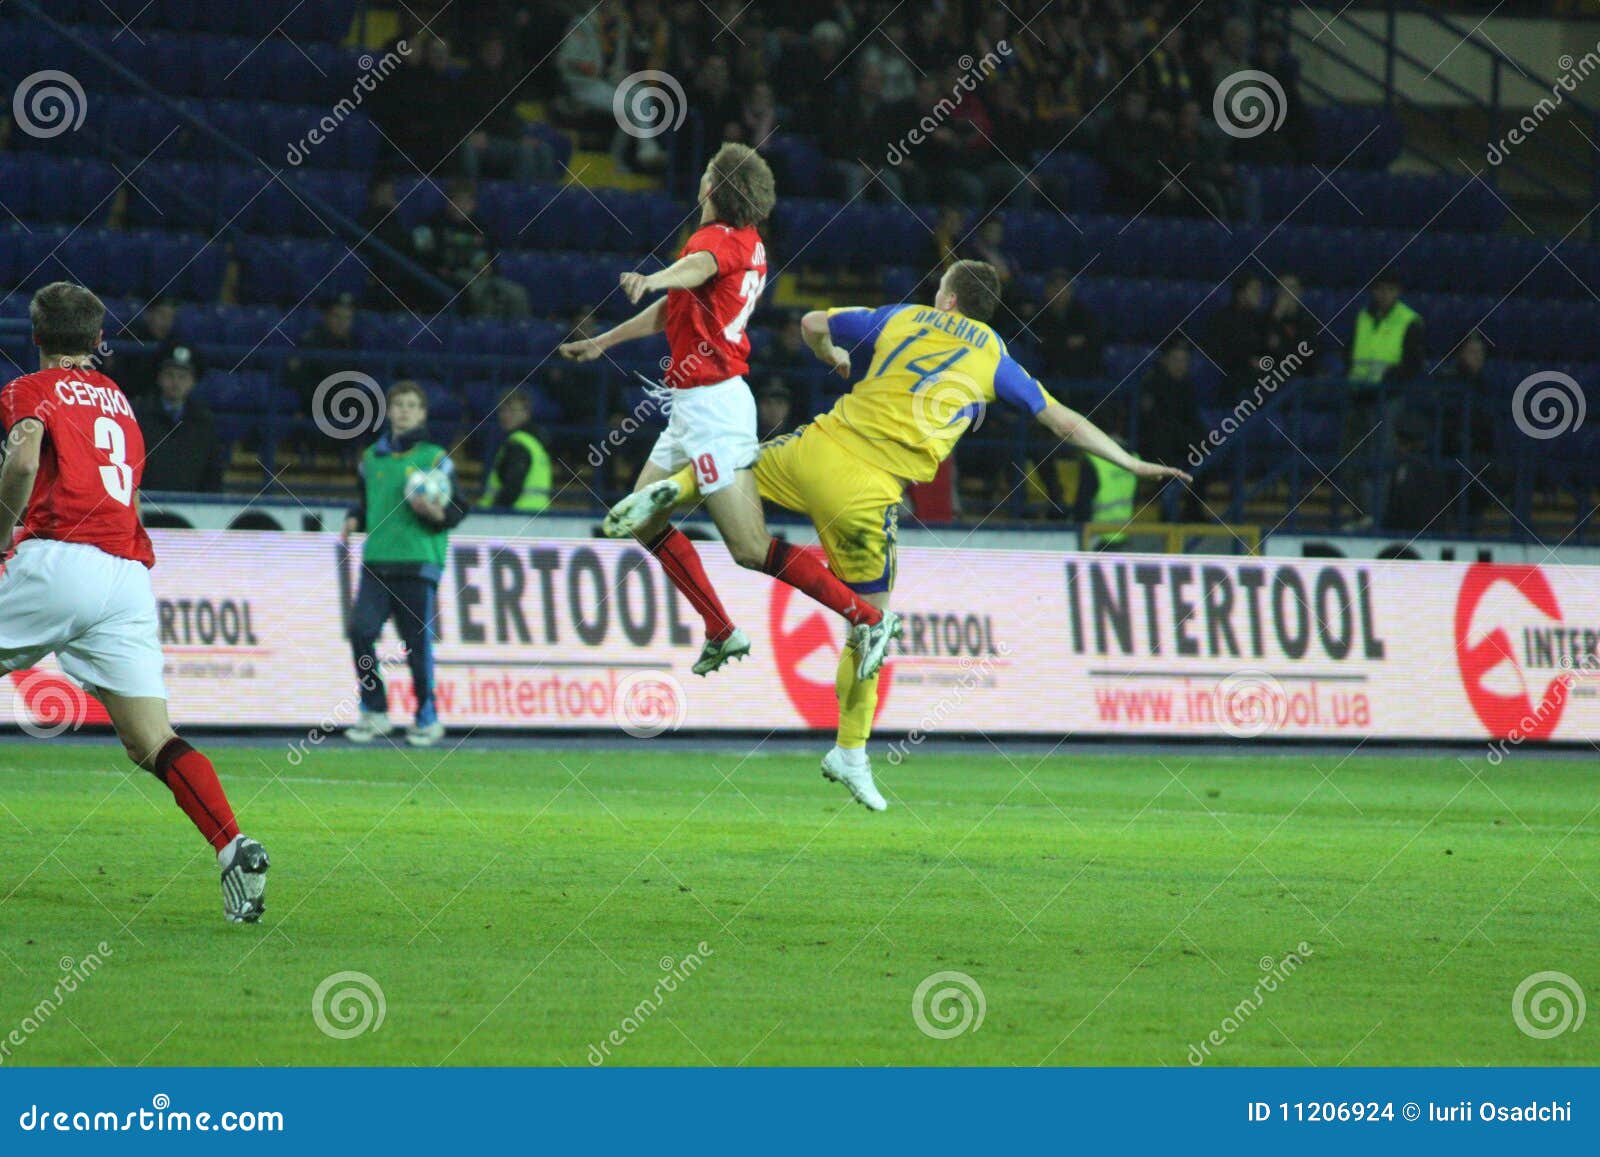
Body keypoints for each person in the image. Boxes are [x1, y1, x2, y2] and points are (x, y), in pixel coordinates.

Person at [607, 261, 1191, 811]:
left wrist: (834, 355)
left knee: (738, 470)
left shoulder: (902, 315)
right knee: (870, 626)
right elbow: (1060, 420)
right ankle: (851, 750)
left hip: (817, 445)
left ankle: (678, 486)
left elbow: (810, 322)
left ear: (951, 298)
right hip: (866, 492)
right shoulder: (994, 357)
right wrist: (1131, 463)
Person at [558, 143, 899, 680]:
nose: (700, 178)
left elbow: (696, 267)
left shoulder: (713, 239)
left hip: (715, 409)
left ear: (714, 188)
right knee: (644, 519)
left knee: (748, 547)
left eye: (707, 172)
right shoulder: (751, 242)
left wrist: (654, 276)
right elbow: (678, 302)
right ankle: (721, 630)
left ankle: (867, 617)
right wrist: (605, 341)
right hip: (694, 405)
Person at [0, 282, 268, 923]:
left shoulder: (26, 390)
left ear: (35, 337)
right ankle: (232, 846)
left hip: (59, 556)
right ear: (97, 341)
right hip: (125, 574)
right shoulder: (120, 401)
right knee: (153, 740)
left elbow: (19, 464)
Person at [341, 381, 469, 746]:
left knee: (417, 643)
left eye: (412, 405)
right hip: (377, 560)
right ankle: (375, 710)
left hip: (418, 561)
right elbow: (366, 503)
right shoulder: (371, 458)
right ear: (388, 411)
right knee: (361, 631)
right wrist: (354, 518)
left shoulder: (435, 457)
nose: (404, 411)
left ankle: (427, 717)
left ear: (422, 413)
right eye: (398, 404)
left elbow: (460, 507)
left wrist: (435, 513)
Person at [1345, 266, 1425, 527]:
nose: (1384, 294)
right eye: (1380, 289)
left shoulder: (1409, 320)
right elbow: (1350, 353)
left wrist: (1389, 379)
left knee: (1382, 457)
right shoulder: (1362, 317)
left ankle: (1379, 516)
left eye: (1390, 289)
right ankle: (1361, 513)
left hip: (1388, 399)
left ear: (1397, 292)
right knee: (1354, 457)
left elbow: (1413, 364)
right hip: (1359, 396)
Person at [134, 346, 223, 493]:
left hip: (190, 509)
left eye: (182, 377)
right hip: (146, 504)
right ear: (159, 378)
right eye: (169, 375)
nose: (175, 382)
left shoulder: (204, 422)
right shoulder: (140, 416)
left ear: (192, 382)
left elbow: (212, 470)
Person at [478, 388, 552, 512]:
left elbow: (512, 488)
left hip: (515, 518)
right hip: (537, 516)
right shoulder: (536, 444)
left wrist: (493, 511)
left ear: (526, 413)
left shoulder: (518, 444)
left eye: (512, 410)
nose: (506, 415)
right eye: (502, 410)